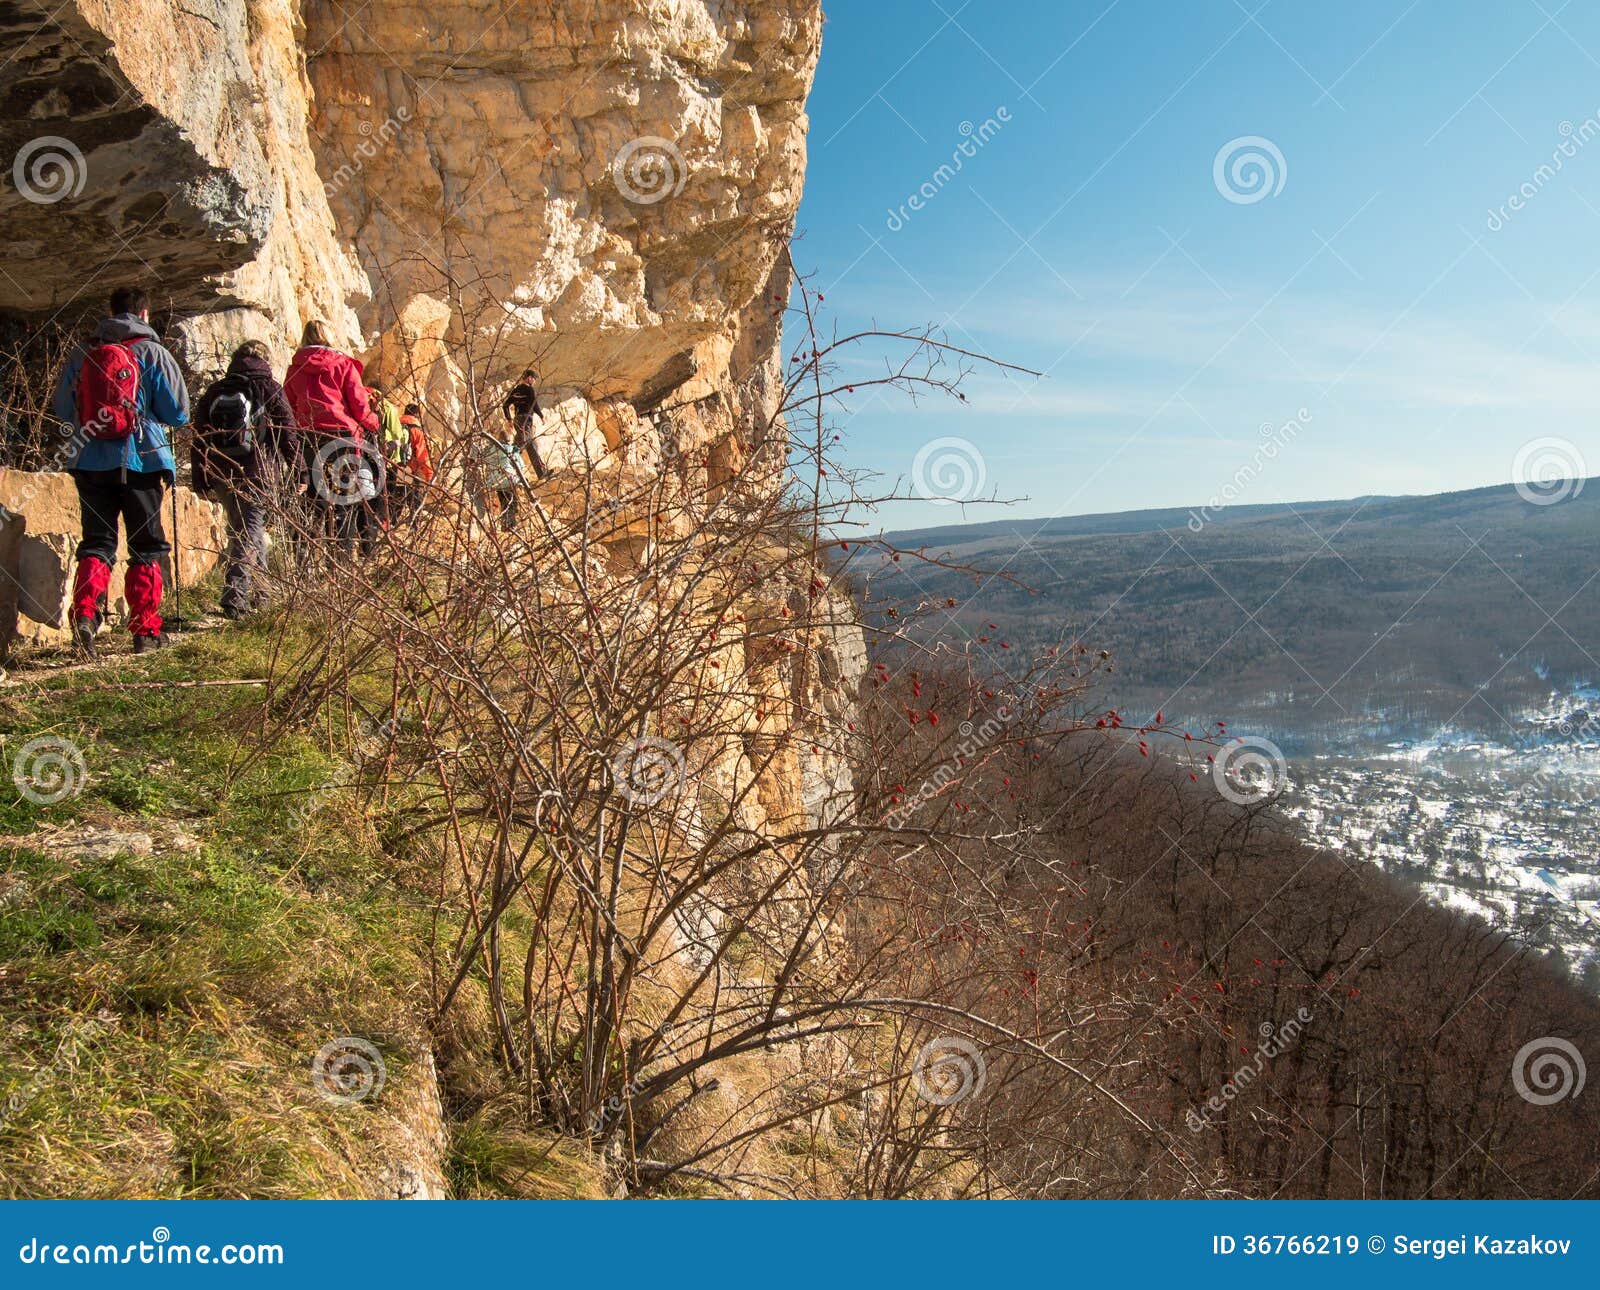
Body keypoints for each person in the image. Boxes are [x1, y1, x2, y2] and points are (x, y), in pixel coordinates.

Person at [50, 285, 189, 656]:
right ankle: (146, 631)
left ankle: (86, 617)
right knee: (146, 545)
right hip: (142, 460)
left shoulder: (83, 352)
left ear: (109, 312)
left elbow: (64, 407)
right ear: (144, 314)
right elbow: (179, 413)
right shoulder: (154, 353)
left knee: (97, 542)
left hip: (90, 460)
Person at [190, 340, 298, 619]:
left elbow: (199, 436)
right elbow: (287, 433)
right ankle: (234, 596)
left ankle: (263, 596)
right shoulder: (269, 388)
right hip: (257, 471)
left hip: (221, 470)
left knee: (248, 528)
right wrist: (300, 471)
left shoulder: (216, 390)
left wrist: (200, 477)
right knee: (249, 531)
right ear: (266, 360)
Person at [282, 320, 379, 555]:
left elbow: (289, 405)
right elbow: (359, 405)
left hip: (309, 437)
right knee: (344, 500)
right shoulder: (344, 364)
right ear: (329, 336)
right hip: (342, 437)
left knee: (312, 501)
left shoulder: (295, 367)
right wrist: (373, 423)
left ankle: (302, 563)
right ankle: (341, 562)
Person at [473, 426, 530, 531]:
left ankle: (505, 524)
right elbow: (520, 465)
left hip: (496, 481)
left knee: (504, 502)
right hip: (508, 479)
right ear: (508, 440)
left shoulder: (490, 451)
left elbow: (482, 459)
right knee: (512, 502)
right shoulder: (511, 449)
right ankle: (510, 525)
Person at [501, 367, 550, 480]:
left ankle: (540, 472)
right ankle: (506, 464)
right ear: (529, 378)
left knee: (528, 445)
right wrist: (542, 416)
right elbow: (534, 405)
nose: (534, 382)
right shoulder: (529, 390)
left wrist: (509, 419)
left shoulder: (516, 390)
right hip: (526, 420)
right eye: (534, 379)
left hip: (518, 419)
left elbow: (505, 405)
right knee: (524, 444)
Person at [389, 403, 434, 523]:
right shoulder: (416, 430)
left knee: (395, 500)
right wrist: (429, 475)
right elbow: (422, 456)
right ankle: (414, 529)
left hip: (391, 466)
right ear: (417, 414)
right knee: (415, 501)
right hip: (408, 469)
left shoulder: (395, 424)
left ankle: (389, 527)